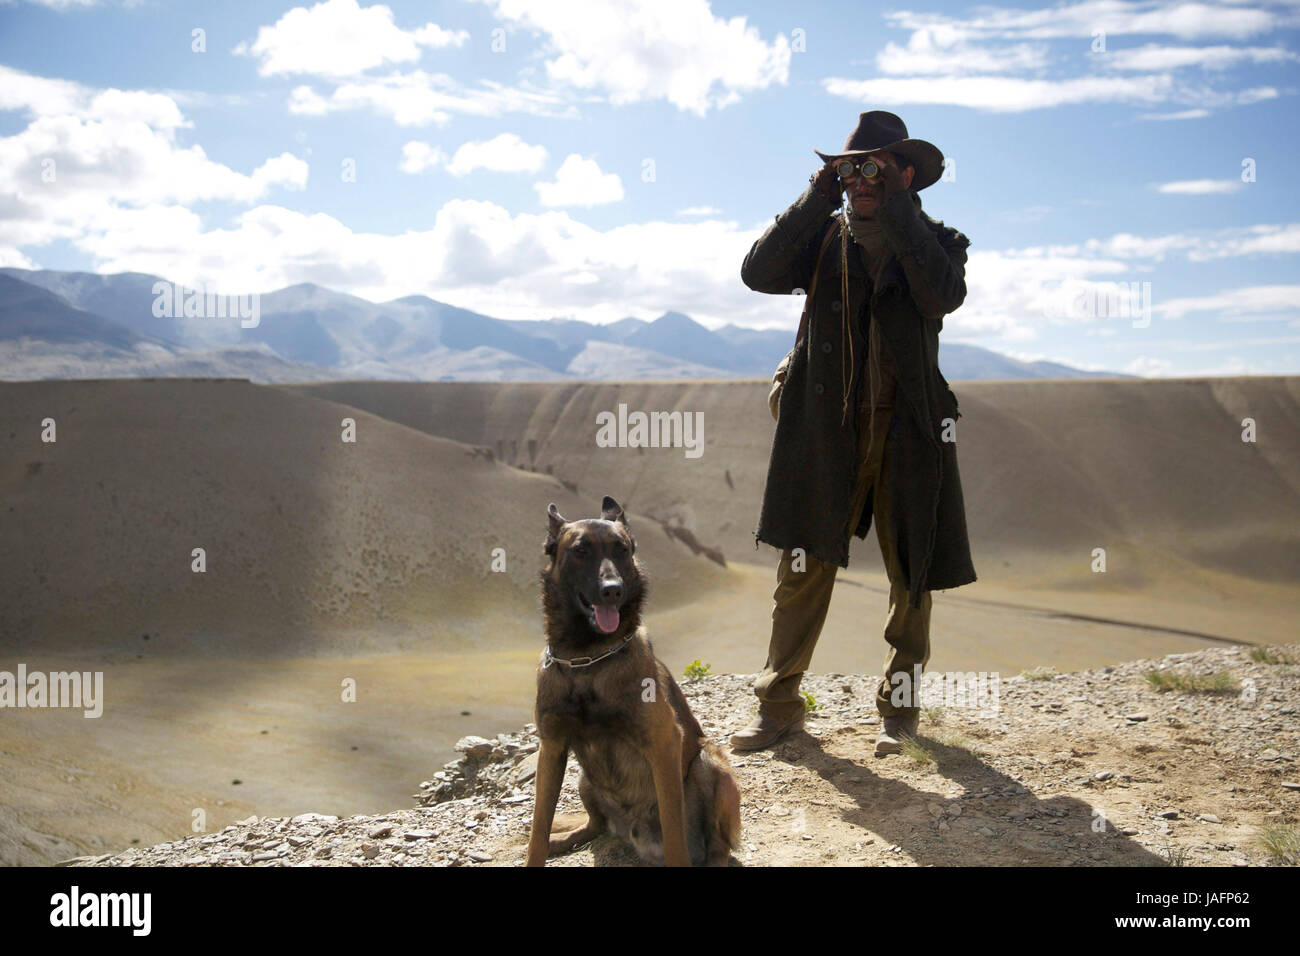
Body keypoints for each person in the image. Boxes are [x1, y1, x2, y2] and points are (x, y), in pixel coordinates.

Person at [732, 110, 976, 757]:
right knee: (802, 568)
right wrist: (816, 197)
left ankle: (899, 717)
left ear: (905, 174)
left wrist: (900, 215)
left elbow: (941, 295)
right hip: (827, 436)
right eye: (850, 168)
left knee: (912, 579)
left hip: (908, 433)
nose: (860, 179)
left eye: (874, 167)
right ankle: (779, 708)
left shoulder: (936, 243)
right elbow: (756, 272)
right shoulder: (822, 238)